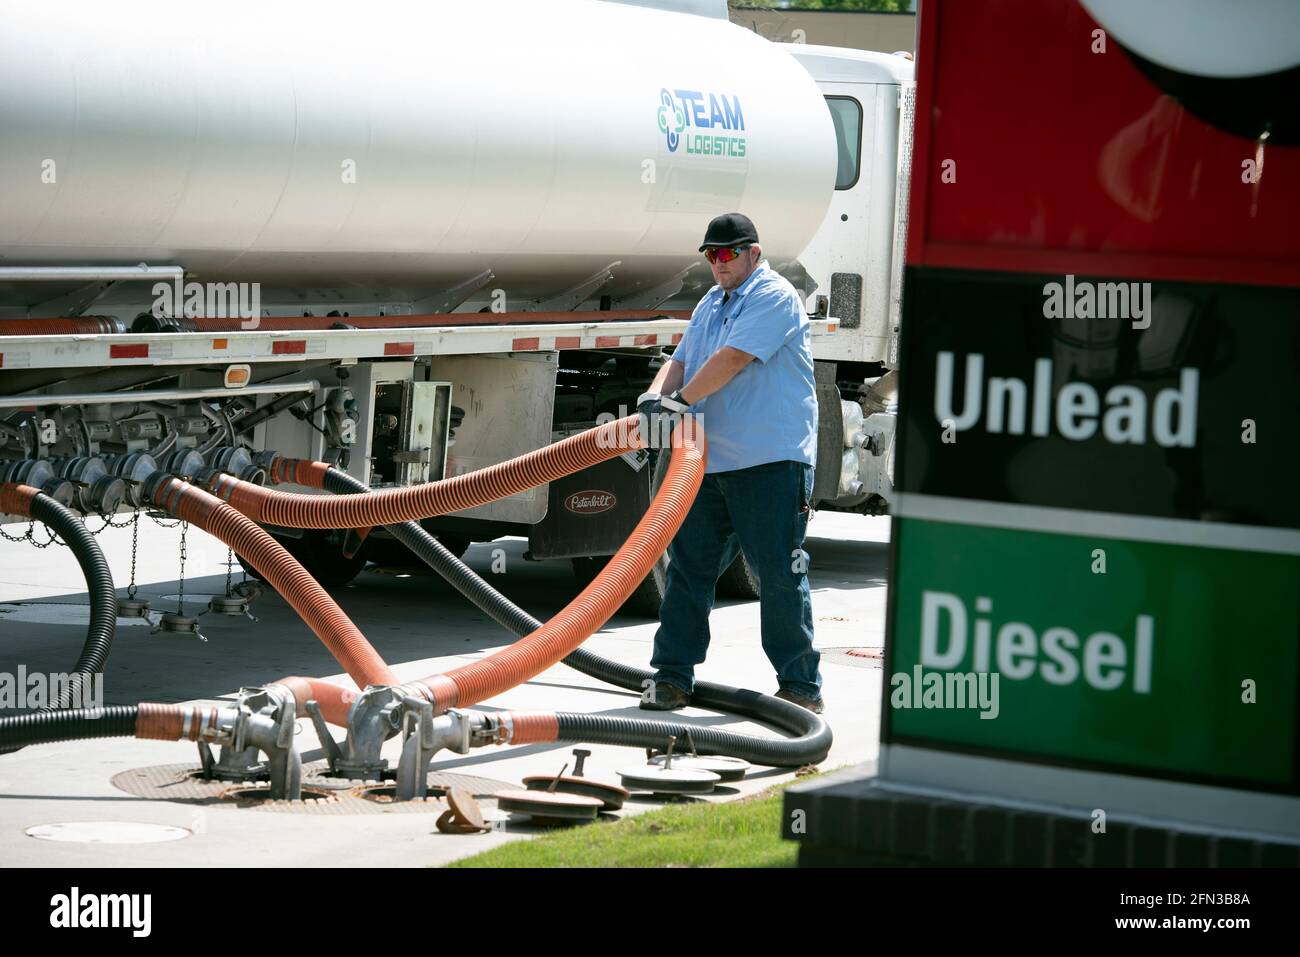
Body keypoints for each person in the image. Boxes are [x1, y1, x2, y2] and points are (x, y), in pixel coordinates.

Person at [636, 212, 823, 714]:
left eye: (728, 253)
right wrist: (655, 396)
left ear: (753, 254)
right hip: (710, 462)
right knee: (688, 570)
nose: (718, 263)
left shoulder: (774, 296)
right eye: (711, 255)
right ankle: (672, 677)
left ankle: (801, 687)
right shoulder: (710, 302)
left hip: (770, 462)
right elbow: (683, 359)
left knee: (779, 574)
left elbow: (733, 358)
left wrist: (679, 403)